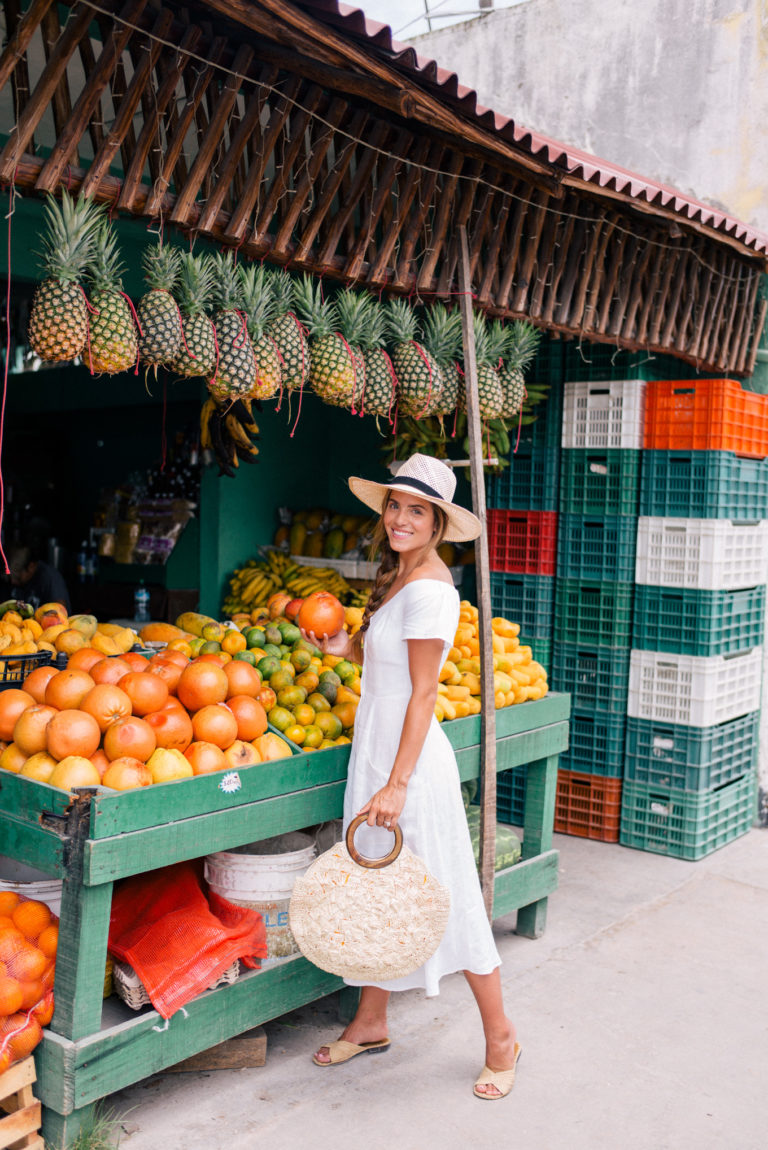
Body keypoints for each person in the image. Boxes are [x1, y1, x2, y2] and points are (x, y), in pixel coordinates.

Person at [304, 454, 521, 1101]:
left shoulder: (431, 589)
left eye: (416, 511)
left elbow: (424, 694)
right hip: (376, 756)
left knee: (445, 897)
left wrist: (397, 784)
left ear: (437, 524)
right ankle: (371, 1021)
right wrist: (343, 647)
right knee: (376, 895)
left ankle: (502, 1037)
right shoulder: (401, 576)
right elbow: (387, 670)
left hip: (410, 769)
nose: (400, 517)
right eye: (395, 505)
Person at [6, 543, 71, 614]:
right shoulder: (11, 581)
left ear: (31, 567)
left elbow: (60, 611)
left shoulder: (50, 578)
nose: (13, 581)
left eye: (18, 578)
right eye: (10, 577)